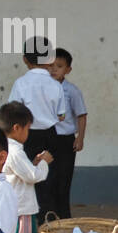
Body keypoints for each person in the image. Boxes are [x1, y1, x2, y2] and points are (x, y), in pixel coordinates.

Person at [8, 37, 67, 221]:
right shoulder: (56, 85)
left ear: (25, 59)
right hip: (51, 136)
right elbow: (61, 115)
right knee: (48, 179)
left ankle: (28, 218)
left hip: (27, 135)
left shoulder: (21, 83)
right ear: (50, 59)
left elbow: (13, 111)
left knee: (27, 176)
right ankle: (47, 222)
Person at [0, 101, 52, 233]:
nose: (28, 133)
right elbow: (33, 176)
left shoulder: (2, 147)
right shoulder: (15, 150)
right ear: (17, 128)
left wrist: (35, 162)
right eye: (27, 128)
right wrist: (44, 163)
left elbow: (22, 172)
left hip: (11, 206)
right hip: (21, 208)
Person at [47, 48, 87, 220]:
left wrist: (80, 138)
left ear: (68, 70)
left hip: (65, 141)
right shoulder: (43, 88)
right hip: (46, 138)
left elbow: (81, 115)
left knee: (63, 179)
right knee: (46, 179)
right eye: (51, 66)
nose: (54, 69)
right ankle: (48, 217)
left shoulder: (72, 91)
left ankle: (64, 218)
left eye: (59, 66)